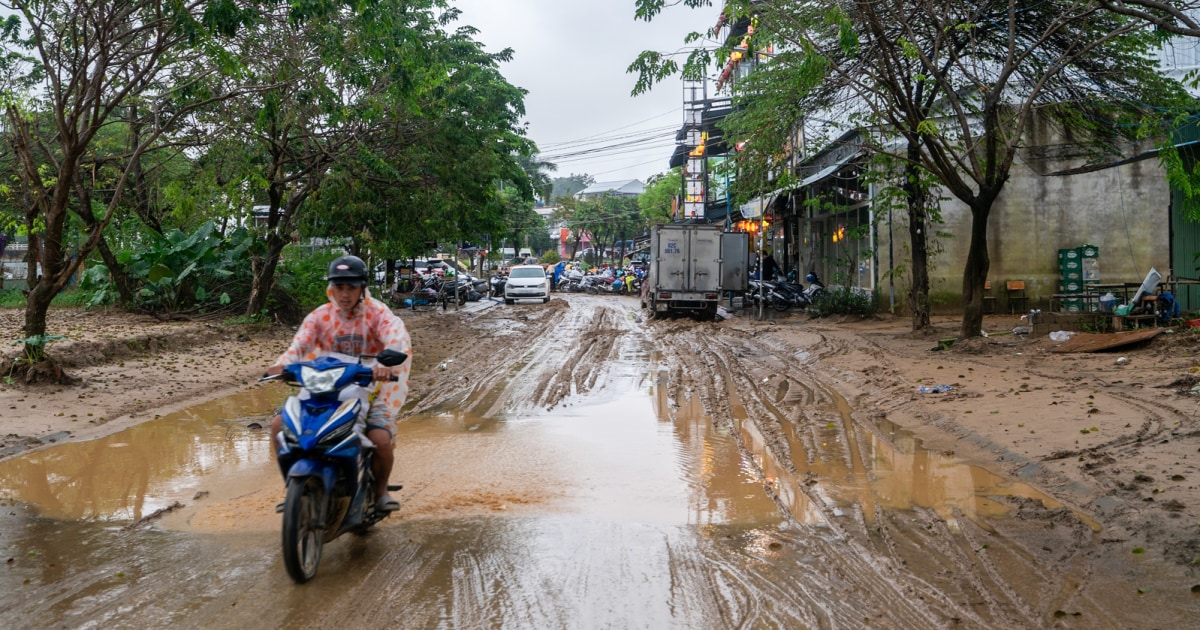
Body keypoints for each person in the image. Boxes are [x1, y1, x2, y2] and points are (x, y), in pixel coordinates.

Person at [265, 255, 412, 512]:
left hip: (367, 387)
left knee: (380, 438)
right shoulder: (319, 316)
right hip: (322, 385)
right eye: (339, 287)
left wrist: (384, 366)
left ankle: (379, 492)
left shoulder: (377, 314)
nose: (344, 294)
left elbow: (394, 338)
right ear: (331, 288)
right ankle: (293, 489)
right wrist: (281, 365)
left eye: (351, 287)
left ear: (362, 288)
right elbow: (299, 345)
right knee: (279, 424)